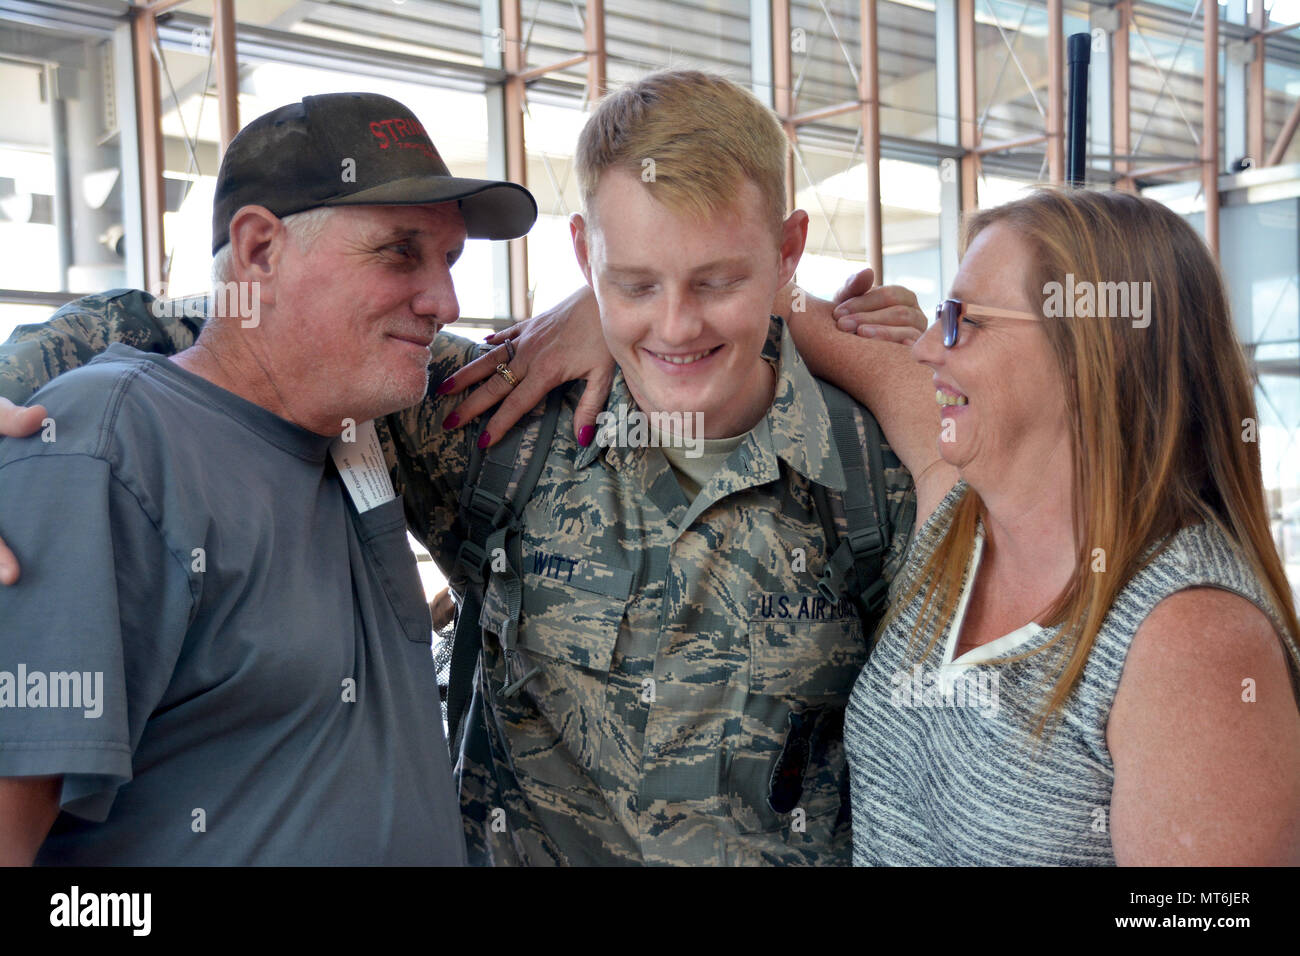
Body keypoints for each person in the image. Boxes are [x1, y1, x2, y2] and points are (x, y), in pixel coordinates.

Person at [0, 71, 927, 866]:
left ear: (786, 251)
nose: (676, 325)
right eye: (637, 281)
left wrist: (829, 329)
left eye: (718, 280)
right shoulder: (498, 419)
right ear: (586, 256)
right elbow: (208, 338)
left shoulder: (872, 470)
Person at [0, 90, 539, 864]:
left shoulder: (352, 434)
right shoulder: (112, 446)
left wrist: (607, 305)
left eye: (450, 261)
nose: (445, 302)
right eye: (400, 252)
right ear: (259, 251)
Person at [831, 187, 1300, 864]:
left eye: (966, 320)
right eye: (939, 314)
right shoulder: (958, 524)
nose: (928, 347)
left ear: (1092, 354)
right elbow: (831, 343)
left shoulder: (1193, 642)